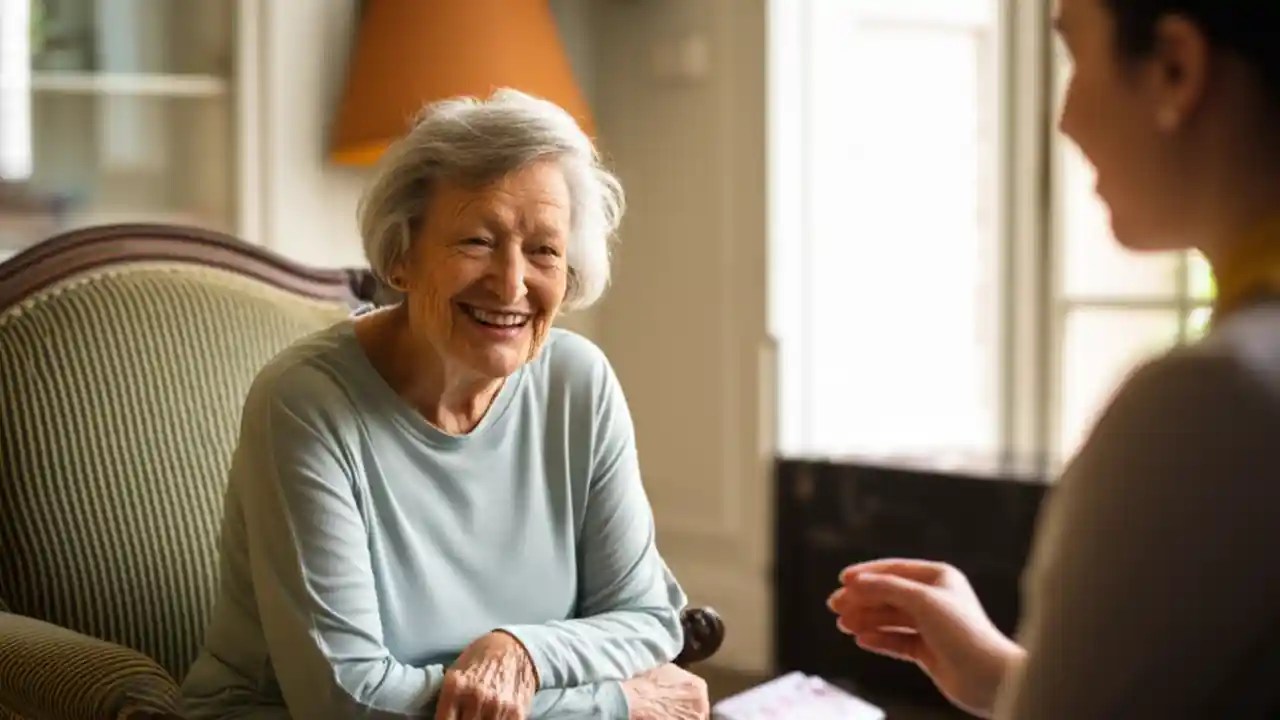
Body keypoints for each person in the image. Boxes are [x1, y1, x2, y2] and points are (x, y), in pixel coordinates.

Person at [181, 89, 709, 720]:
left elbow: (647, 618)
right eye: (477, 241)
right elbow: (343, 699)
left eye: (543, 249)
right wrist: (614, 704)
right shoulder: (306, 405)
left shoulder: (578, 381)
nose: (511, 283)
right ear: (402, 257)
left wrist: (520, 651)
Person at [828, 0, 1280, 717]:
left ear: (1174, 67)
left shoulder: (1214, 401)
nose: (1065, 118)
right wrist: (1007, 677)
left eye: (1073, 56)